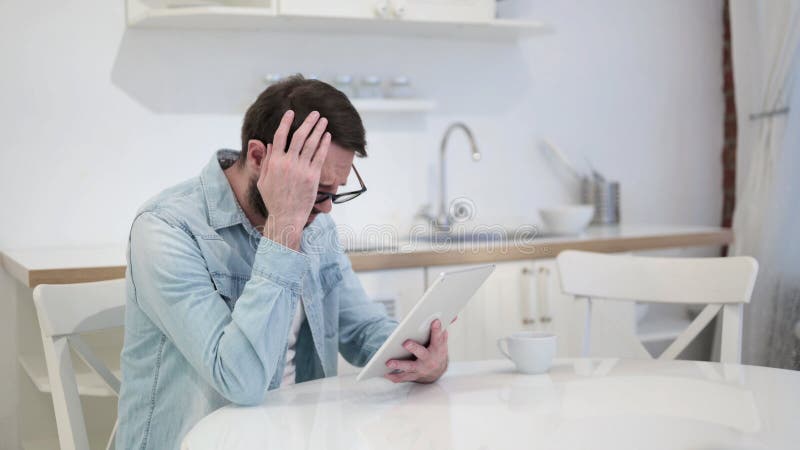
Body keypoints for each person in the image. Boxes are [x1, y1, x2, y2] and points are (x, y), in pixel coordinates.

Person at [115, 76, 450, 449]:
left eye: (334, 194)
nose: (324, 210)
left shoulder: (314, 223)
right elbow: (239, 380)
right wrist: (283, 229)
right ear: (259, 157)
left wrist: (419, 356)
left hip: (293, 435)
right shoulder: (167, 229)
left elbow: (361, 329)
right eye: (314, 191)